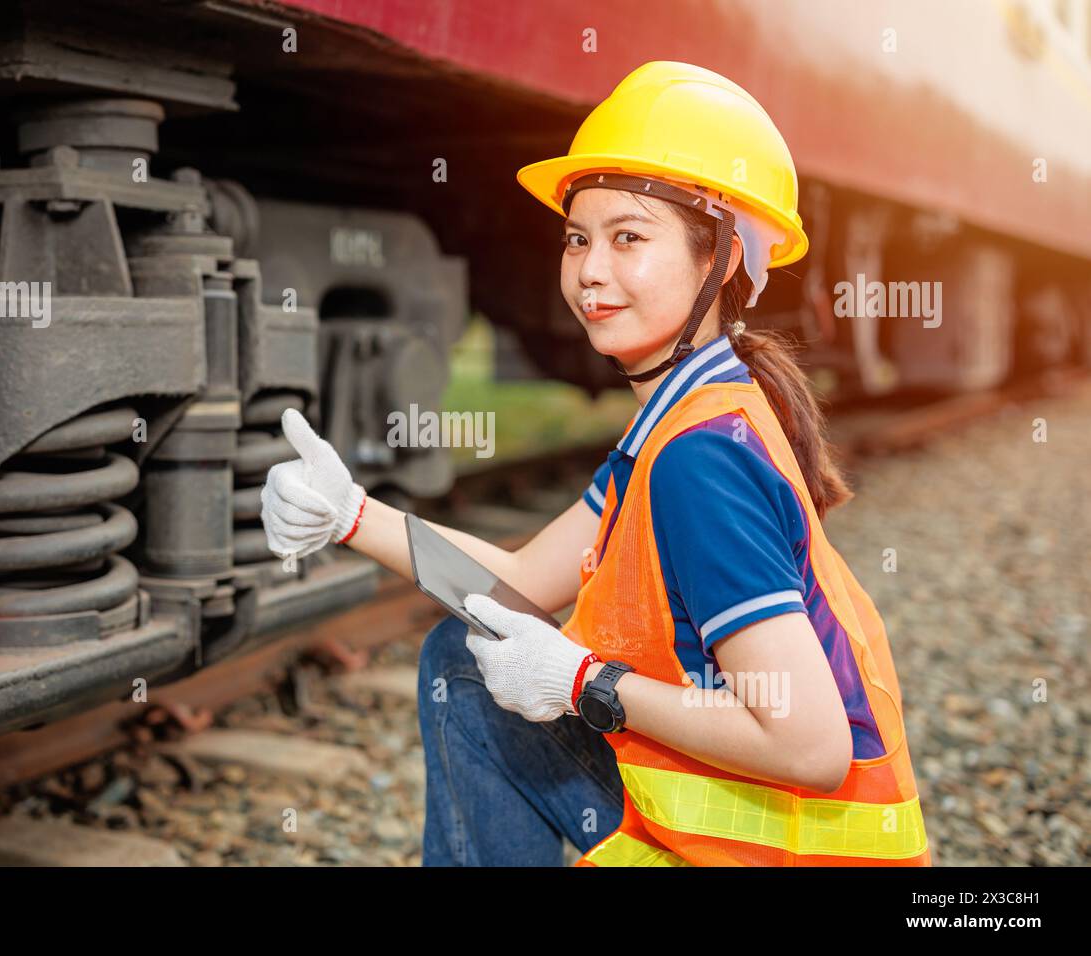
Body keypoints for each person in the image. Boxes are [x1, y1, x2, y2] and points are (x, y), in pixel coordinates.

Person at [259, 61, 931, 867]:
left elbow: (812, 745)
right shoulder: (682, 420)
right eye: (578, 238)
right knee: (464, 654)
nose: (590, 271)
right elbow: (515, 586)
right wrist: (353, 514)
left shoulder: (700, 459)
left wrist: (588, 685)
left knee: (466, 680)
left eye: (629, 238)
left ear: (719, 259)